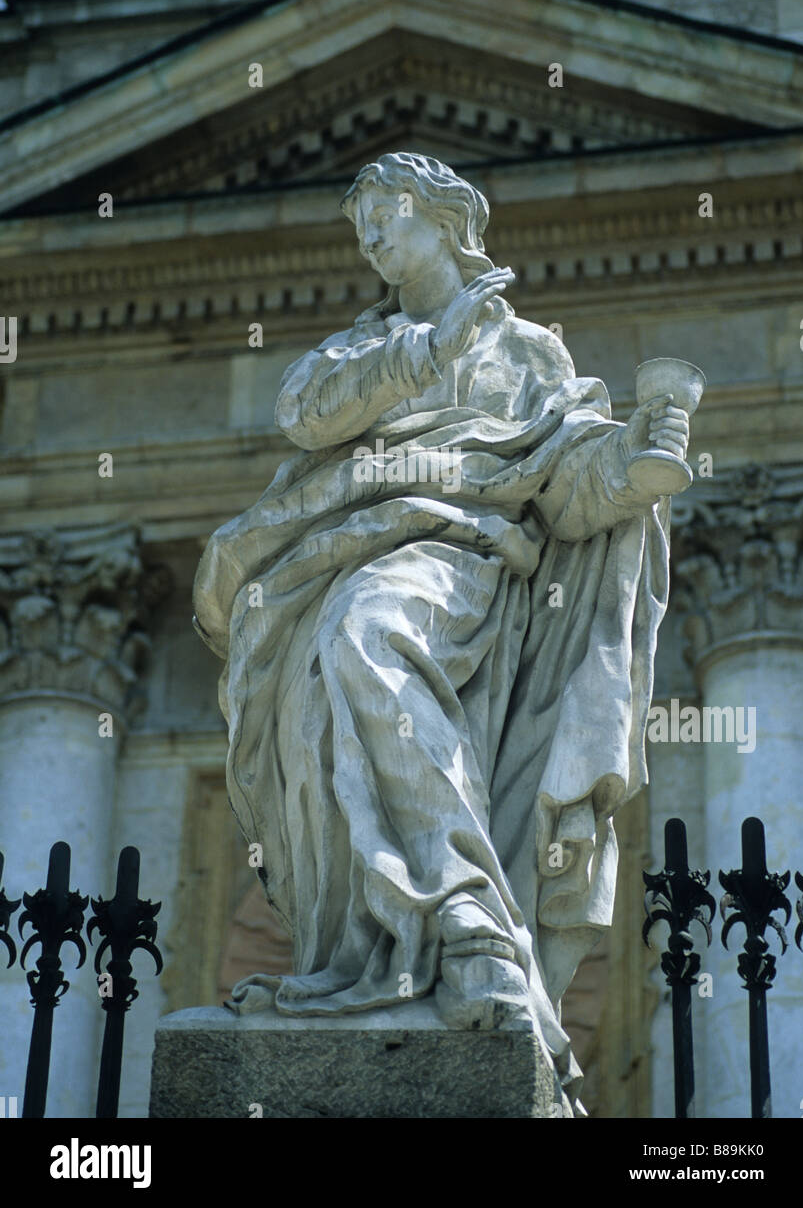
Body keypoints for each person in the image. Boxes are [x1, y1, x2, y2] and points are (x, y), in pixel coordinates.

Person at [193, 153, 688, 1108]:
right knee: (333, 678)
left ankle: (467, 923)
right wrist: (429, 344)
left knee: (367, 638)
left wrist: (637, 467)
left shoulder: (529, 354)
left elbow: (568, 485)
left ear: (450, 219)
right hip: (332, 557)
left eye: (392, 213)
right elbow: (307, 411)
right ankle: (382, 951)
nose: (374, 235)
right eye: (362, 223)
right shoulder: (352, 352)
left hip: (464, 566)